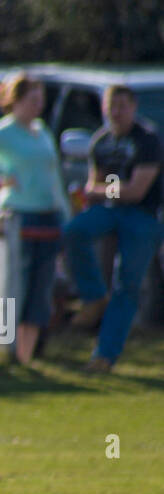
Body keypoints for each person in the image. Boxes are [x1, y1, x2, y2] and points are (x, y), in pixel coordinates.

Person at [0, 73, 69, 365]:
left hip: (48, 215)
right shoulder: (5, 130)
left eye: (40, 99)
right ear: (16, 101)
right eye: (31, 99)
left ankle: (26, 357)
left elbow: (53, 173)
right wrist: (1, 174)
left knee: (41, 285)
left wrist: (65, 212)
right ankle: (5, 353)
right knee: (15, 283)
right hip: (19, 215)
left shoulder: (42, 130)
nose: (37, 105)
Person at [63, 84, 163, 372]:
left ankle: (105, 355)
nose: (116, 113)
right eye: (111, 106)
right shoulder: (101, 141)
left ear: (133, 107)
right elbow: (93, 187)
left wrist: (105, 190)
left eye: (122, 106)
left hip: (143, 217)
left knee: (127, 284)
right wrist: (106, 191)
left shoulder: (148, 140)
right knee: (74, 230)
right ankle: (94, 297)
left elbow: (137, 192)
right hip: (111, 210)